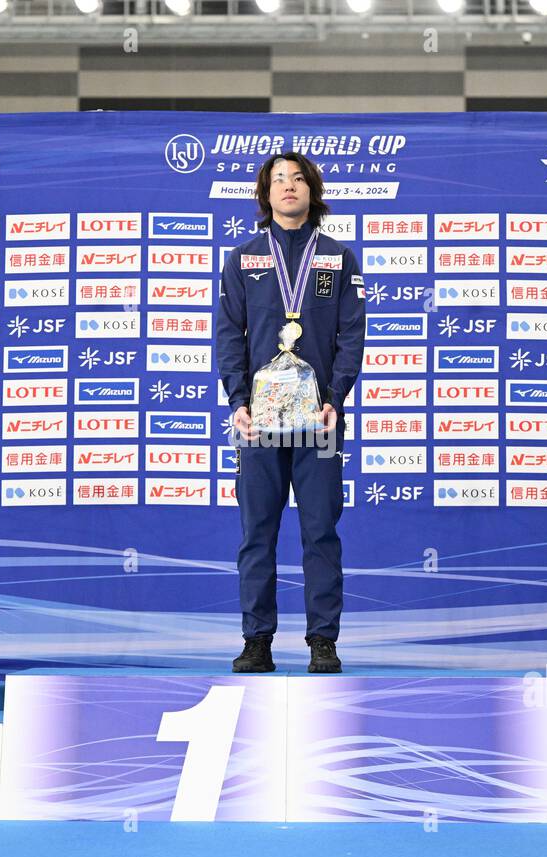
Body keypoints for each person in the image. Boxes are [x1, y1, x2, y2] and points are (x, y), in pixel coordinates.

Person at [215, 152, 366, 674]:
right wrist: (238, 403)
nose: (287, 186)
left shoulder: (338, 258)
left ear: (312, 190)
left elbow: (352, 337)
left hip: (319, 422)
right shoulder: (243, 259)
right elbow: (228, 337)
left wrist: (335, 399)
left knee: (320, 530)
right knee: (257, 531)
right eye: (277, 179)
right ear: (265, 193)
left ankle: (323, 640)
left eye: (297, 178)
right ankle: (257, 640)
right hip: (258, 424)